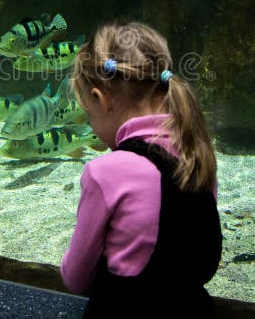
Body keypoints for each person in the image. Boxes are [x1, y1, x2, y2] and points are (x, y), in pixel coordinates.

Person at [60, 21, 222, 318]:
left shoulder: (105, 171)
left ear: (100, 99)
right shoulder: (198, 156)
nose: (91, 126)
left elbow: (76, 277)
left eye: (88, 114)